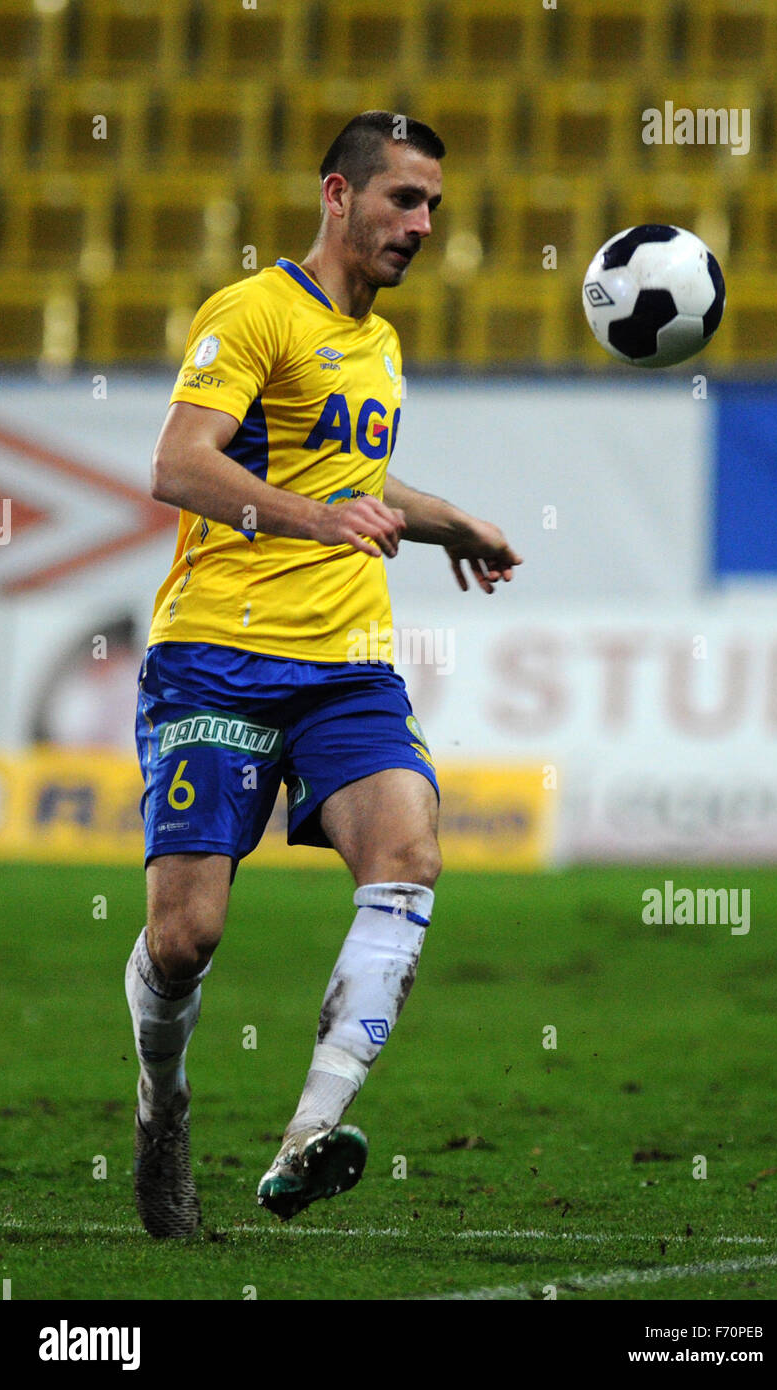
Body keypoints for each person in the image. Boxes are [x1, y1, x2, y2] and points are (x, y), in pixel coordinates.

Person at [125, 110, 522, 1237]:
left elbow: (361, 481)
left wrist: (453, 526)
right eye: (403, 198)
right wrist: (314, 518)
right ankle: (162, 1113)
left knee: (407, 852)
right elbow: (178, 464)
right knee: (183, 937)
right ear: (337, 197)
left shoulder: (379, 342)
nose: (423, 224)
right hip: (219, 655)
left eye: (434, 205)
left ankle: (309, 1133)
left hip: (347, 664)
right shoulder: (252, 311)